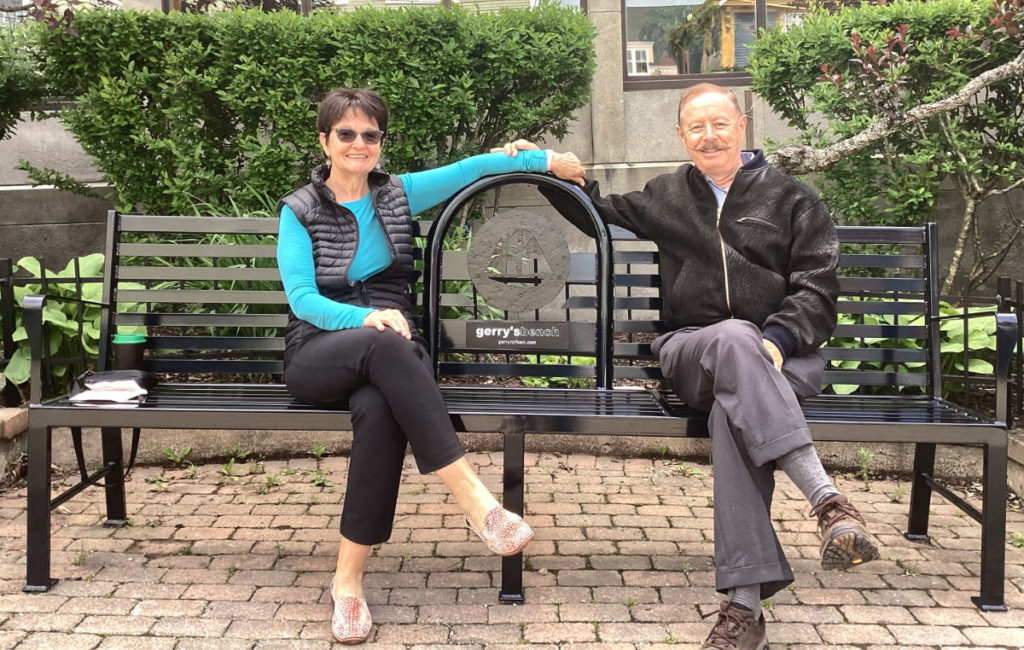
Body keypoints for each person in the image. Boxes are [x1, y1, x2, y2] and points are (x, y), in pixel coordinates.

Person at [526, 83, 879, 650]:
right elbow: (595, 206)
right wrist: (543, 165)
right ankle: (827, 502)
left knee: (732, 414)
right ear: (681, 137)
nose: (709, 135)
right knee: (735, 339)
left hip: (781, 361)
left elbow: (818, 290)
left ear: (742, 125)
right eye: (696, 127)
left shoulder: (794, 200)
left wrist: (780, 338)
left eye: (719, 123)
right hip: (690, 350)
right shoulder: (667, 195)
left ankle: (743, 609)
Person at [277, 87, 585, 645]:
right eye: (345, 133)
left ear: (380, 144)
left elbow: (473, 167)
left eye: (370, 134)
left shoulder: (398, 193)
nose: (358, 143)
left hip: (390, 356)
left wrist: (545, 160)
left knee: (378, 407)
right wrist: (364, 320)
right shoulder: (299, 210)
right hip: (319, 351)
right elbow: (301, 298)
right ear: (325, 141)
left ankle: (347, 584)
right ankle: (475, 500)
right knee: (387, 338)